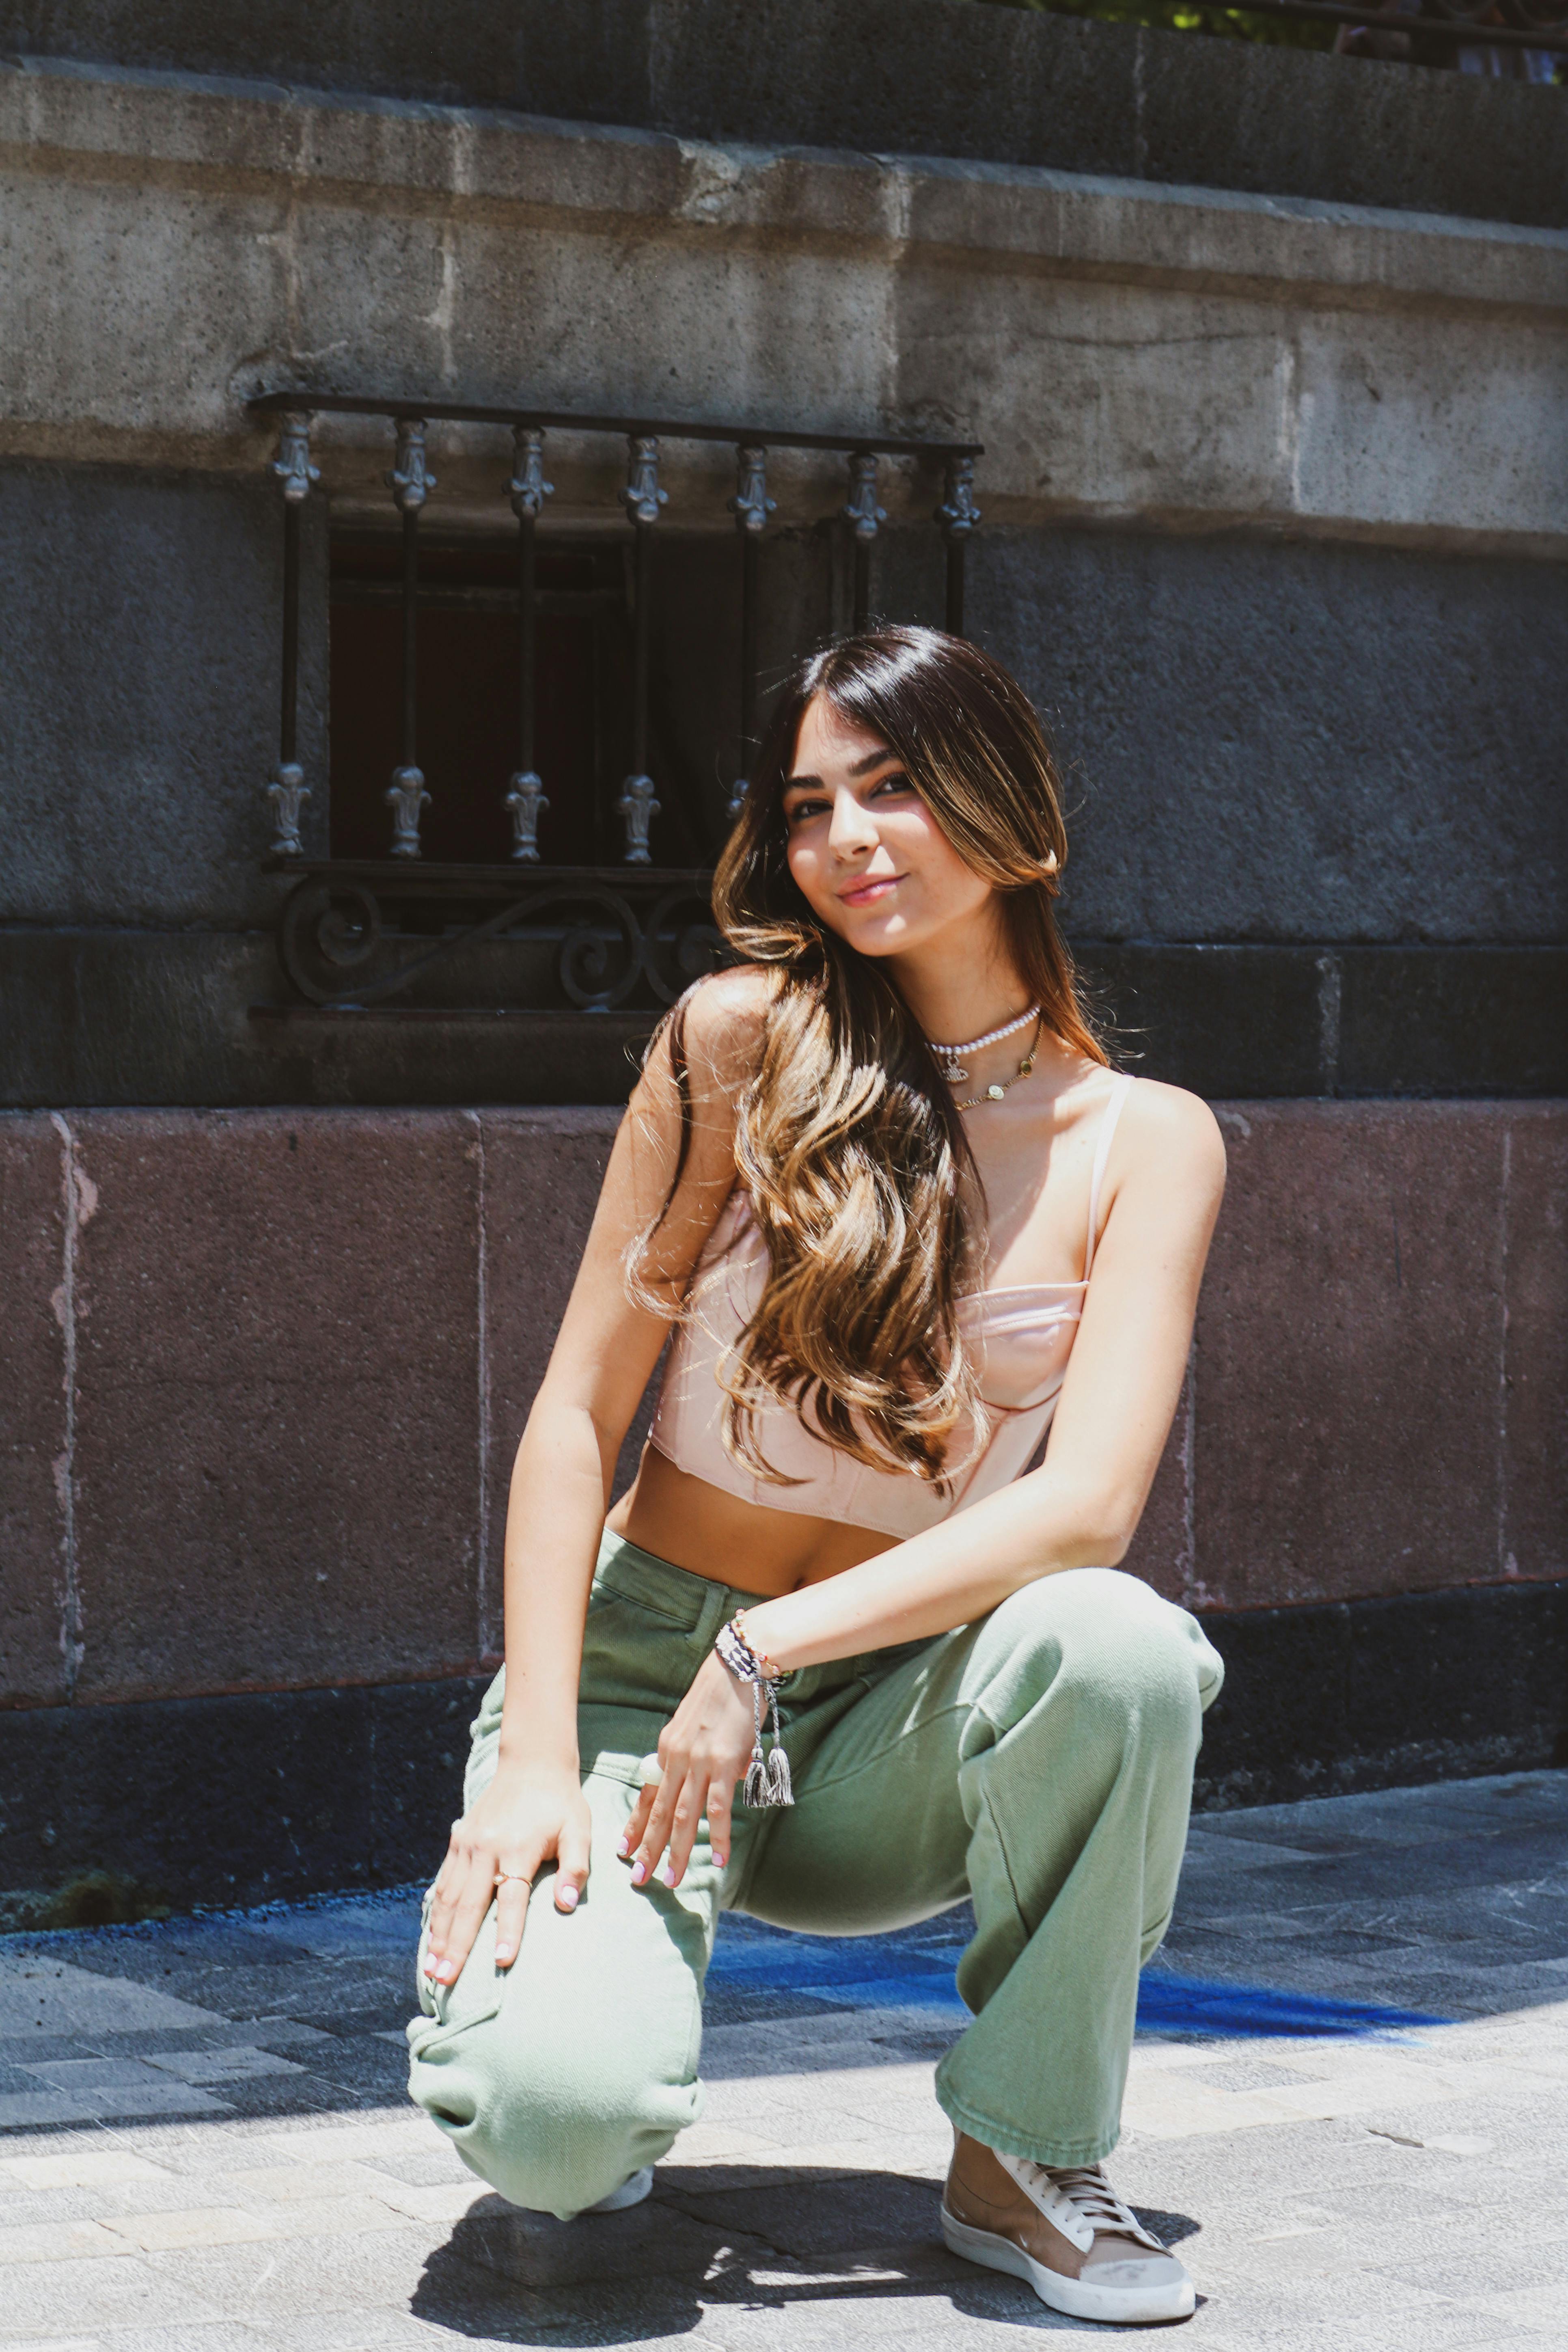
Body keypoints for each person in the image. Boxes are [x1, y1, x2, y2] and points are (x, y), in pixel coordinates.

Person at [408, 626, 1228, 2327]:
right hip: (642, 1687)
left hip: (891, 1714)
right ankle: (593, 2065)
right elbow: (574, 1416)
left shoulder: (1147, 1141)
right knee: (556, 2135)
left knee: (1125, 1647)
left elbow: (1086, 1510)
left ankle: (1022, 2157)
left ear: (1015, 813)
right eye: (807, 804)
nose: (845, 837)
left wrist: (765, 1653)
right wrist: (536, 1754)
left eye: (894, 785)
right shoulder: (735, 1044)